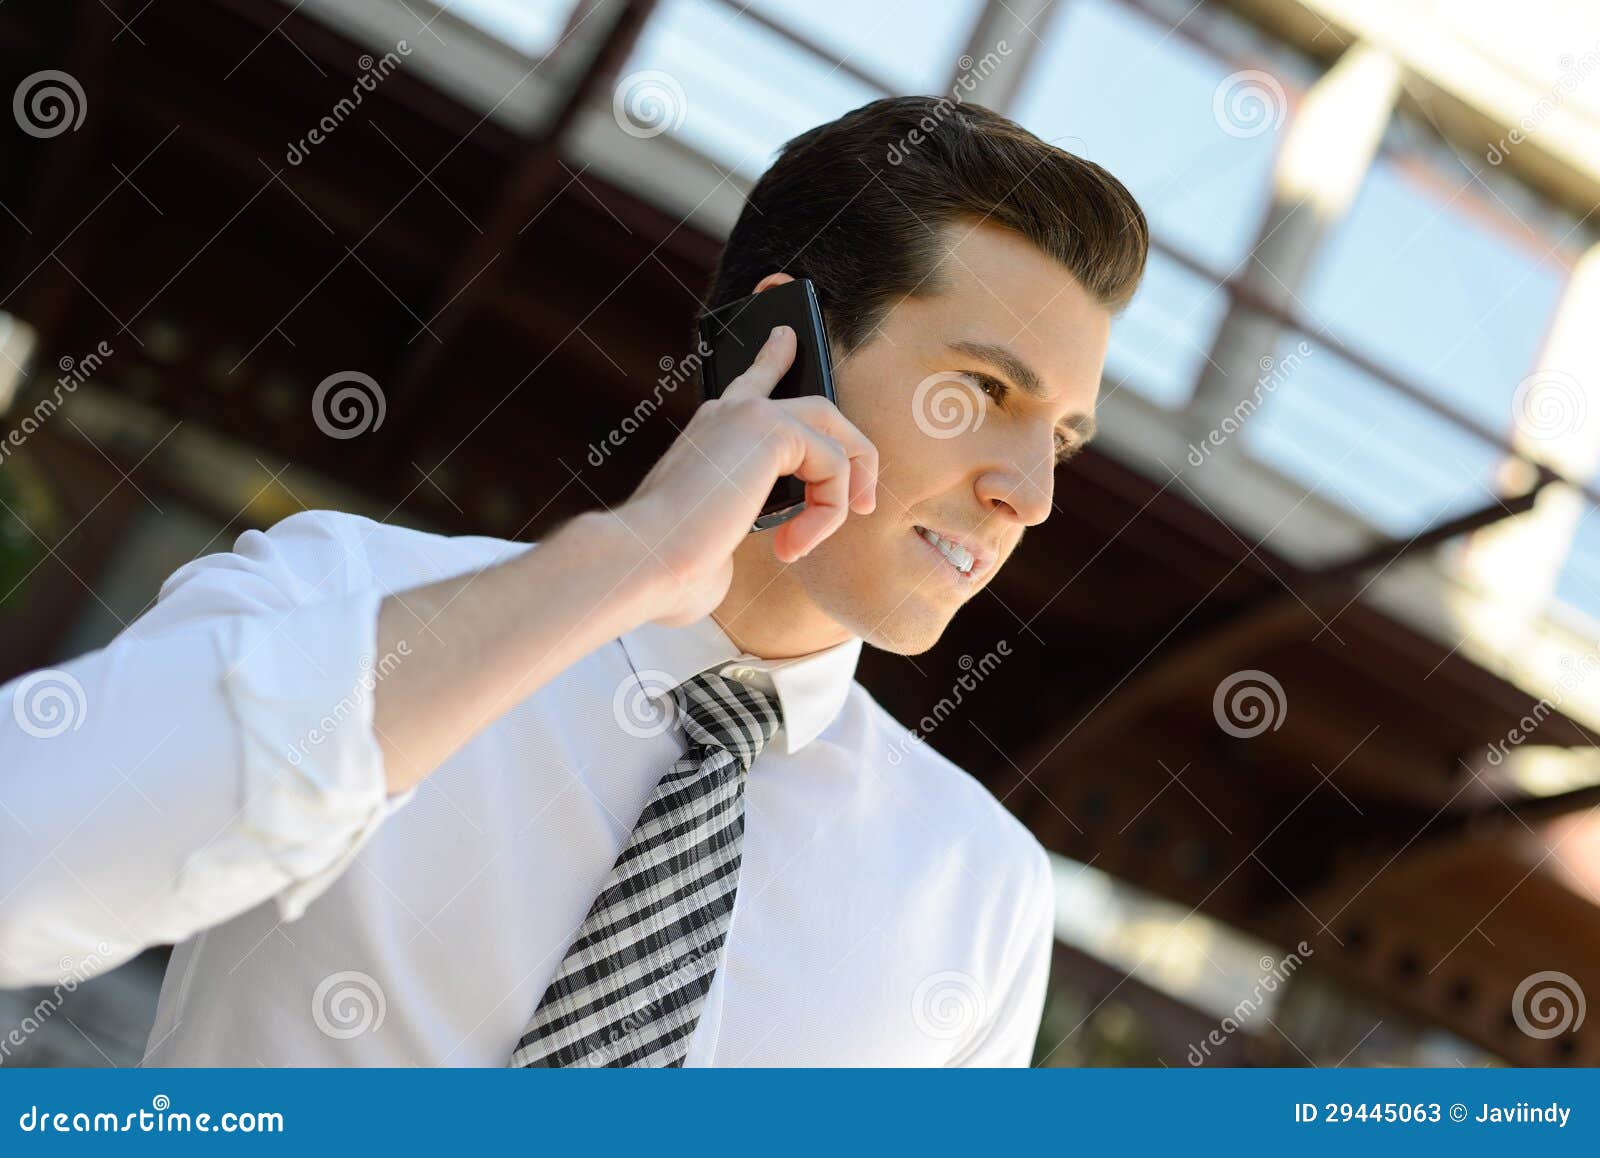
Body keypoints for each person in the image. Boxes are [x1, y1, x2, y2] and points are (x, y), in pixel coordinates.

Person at [0, 95, 1146, 1065]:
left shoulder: (982, 895)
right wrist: (622, 565)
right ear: (775, 348)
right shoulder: (343, 595)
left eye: (1062, 439)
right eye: (984, 393)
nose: (1027, 495)